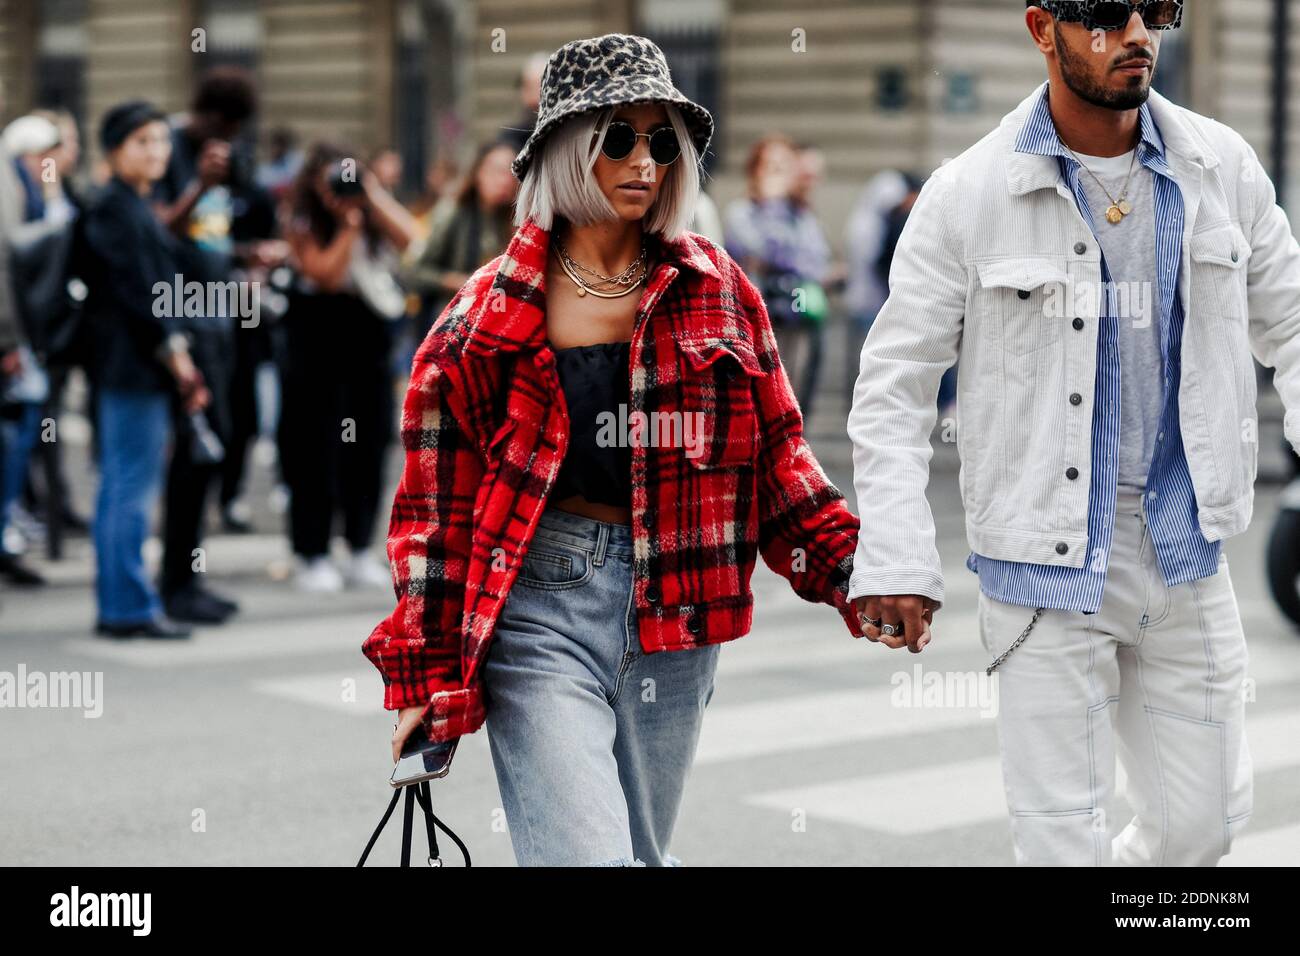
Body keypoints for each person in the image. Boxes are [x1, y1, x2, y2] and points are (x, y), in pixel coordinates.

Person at [367, 33, 864, 867]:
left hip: (681, 602)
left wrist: (859, 574)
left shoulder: (716, 288)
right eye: (619, 138)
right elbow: (432, 514)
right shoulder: (486, 314)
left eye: (663, 141)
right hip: (542, 604)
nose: (644, 161)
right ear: (568, 149)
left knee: (641, 853)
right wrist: (421, 672)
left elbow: (778, 456)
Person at [848, 0, 1297, 866]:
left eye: (1155, 10)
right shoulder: (970, 191)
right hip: (1042, 564)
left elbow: (1293, 323)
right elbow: (895, 386)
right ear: (1040, 27)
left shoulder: (1221, 166)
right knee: (1061, 840)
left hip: (1184, 544)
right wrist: (897, 555)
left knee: (1203, 824)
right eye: (1103, 13)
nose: (1135, 34)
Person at [82, 101, 210, 639]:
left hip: (132, 365)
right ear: (115, 151)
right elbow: (142, 294)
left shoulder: (132, 202)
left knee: (122, 484)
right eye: (142, 142)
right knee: (130, 486)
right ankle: (128, 607)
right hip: (132, 367)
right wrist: (178, 358)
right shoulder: (114, 207)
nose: (156, 151)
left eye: (161, 140)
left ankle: (121, 603)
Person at [279, 141, 420, 592]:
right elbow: (323, 273)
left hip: (367, 338)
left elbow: (415, 241)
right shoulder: (302, 219)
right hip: (317, 337)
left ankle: (360, 545)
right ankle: (312, 551)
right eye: (331, 178)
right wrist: (348, 227)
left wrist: (371, 194)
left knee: (369, 443)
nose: (339, 186)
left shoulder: (370, 208)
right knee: (315, 448)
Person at [151, 66, 262, 624]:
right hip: (182, 316)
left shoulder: (220, 159)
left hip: (220, 316)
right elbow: (158, 231)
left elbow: (208, 241)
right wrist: (199, 183)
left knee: (218, 441)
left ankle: (189, 578)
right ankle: (175, 584)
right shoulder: (169, 149)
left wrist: (247, 255)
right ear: (212, 116)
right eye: (227, 127)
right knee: (194, 451)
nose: (230, 139)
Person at [723, 135, 830, 418]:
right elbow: (768, 251)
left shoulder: (801, 216)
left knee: (794, 405)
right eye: (769, 166)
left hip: (796, 321)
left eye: (783, 167)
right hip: (752, 327)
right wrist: (772, 206)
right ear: (754, 172)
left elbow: (814, 262)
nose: (776, 175)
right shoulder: (741, 214)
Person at [400, 140, 517, 348]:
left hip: (497, 328)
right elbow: (413, 271)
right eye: (497, 171)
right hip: (455, 329)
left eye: (512, 172)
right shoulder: (453, 213)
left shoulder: (515, 220)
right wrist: (456, 281)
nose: (504, 180)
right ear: (478, 173)